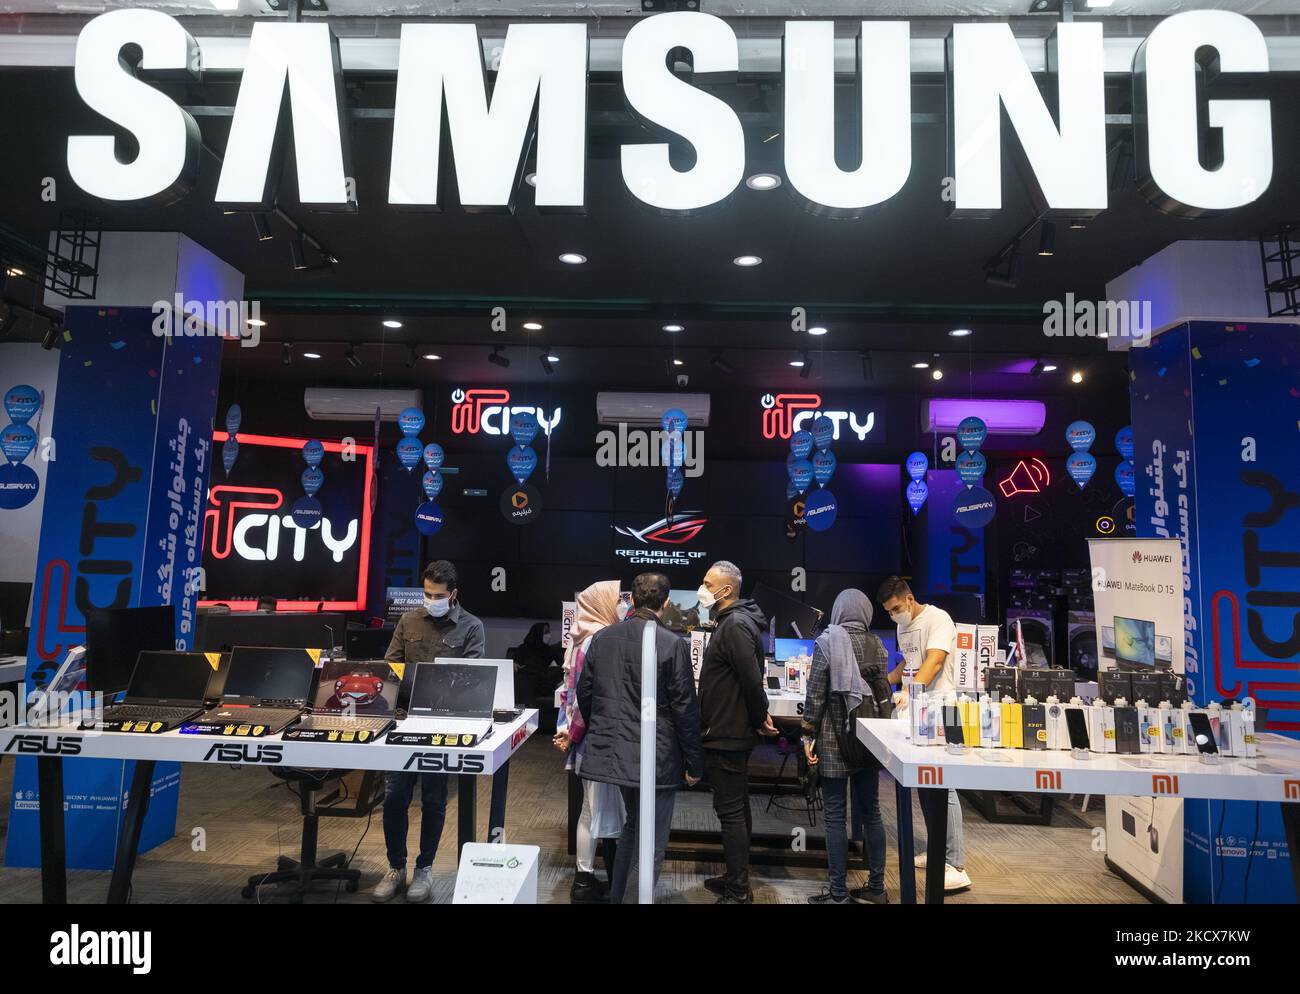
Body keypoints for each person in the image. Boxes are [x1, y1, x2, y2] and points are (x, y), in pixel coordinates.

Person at [577, 572, 704, 904]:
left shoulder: (603, 639)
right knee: (652, 844)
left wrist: (604, 733)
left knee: (633, 830)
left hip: (617, 753)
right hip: (656, 759)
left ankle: (619, 898)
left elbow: (585, 694)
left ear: (631, 601)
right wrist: (695, 762)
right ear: (665, 603)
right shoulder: (673, 643)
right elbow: (685, 709)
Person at [373, 560, 485, 903]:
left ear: (453, 594)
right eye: (426, 593)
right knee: (394, 798)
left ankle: (425, 868)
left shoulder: (471, 627)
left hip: (443, 726)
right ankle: (396, 867)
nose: (430, 599)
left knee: (434, 799)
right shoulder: (408, 620)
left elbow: (475, 679)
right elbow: (390, 668)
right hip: (404, 722)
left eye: (437, 595)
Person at [878, 576, 971, 893]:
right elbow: (907, 660)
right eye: (888, 612)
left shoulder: (938, 618)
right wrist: (885, 681)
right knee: (924, 784)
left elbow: (934, 660)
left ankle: (956, 864)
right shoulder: (903, 627)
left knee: (944, 787)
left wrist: (912, 688)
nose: (893, 616)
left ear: (908, 599)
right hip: (915, 712)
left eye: (894, 609)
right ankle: (938, 853)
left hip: (942, 709)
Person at [800, 589, 891, 905]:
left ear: (838, 610)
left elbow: (815, 697)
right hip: (868, 740)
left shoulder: (827, 641)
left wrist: (806, 735)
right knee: (872, 813)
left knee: (835, 817)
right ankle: (877, 888)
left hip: (833, 740)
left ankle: (838, 894)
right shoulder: (878, 645)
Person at [695, 560, 777, 904]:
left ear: (725, 590)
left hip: (728, 732)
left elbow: (750, 678)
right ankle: (734, 878)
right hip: (726, 728)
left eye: (706, 583)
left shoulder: (735, 625)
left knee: (731, 812)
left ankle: (739, 890)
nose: (702, 588)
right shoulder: (731, 622)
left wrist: (760, 716)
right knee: (734, 809)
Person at [552, 580, 626, 903]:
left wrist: (566, 729)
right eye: (618, 598)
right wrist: (574, 732)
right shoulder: (598, 641)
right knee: (604, 812)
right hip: (597, 738)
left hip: (583, 737)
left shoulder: (579, 638)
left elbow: (568, 693)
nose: (623, 604)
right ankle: (595, 880)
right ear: (603, 604)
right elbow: (585, 696)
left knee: (591, 810)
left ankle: (586, 878)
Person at [512, 621, 564, 699]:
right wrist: (514, 664)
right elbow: (513, 662)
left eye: (549, 632)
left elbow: (562, 664)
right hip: (526, 680)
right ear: (538, 633)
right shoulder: (523, 648)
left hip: (543, 682)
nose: (549, 635)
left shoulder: (549, 650)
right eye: (546, 632)